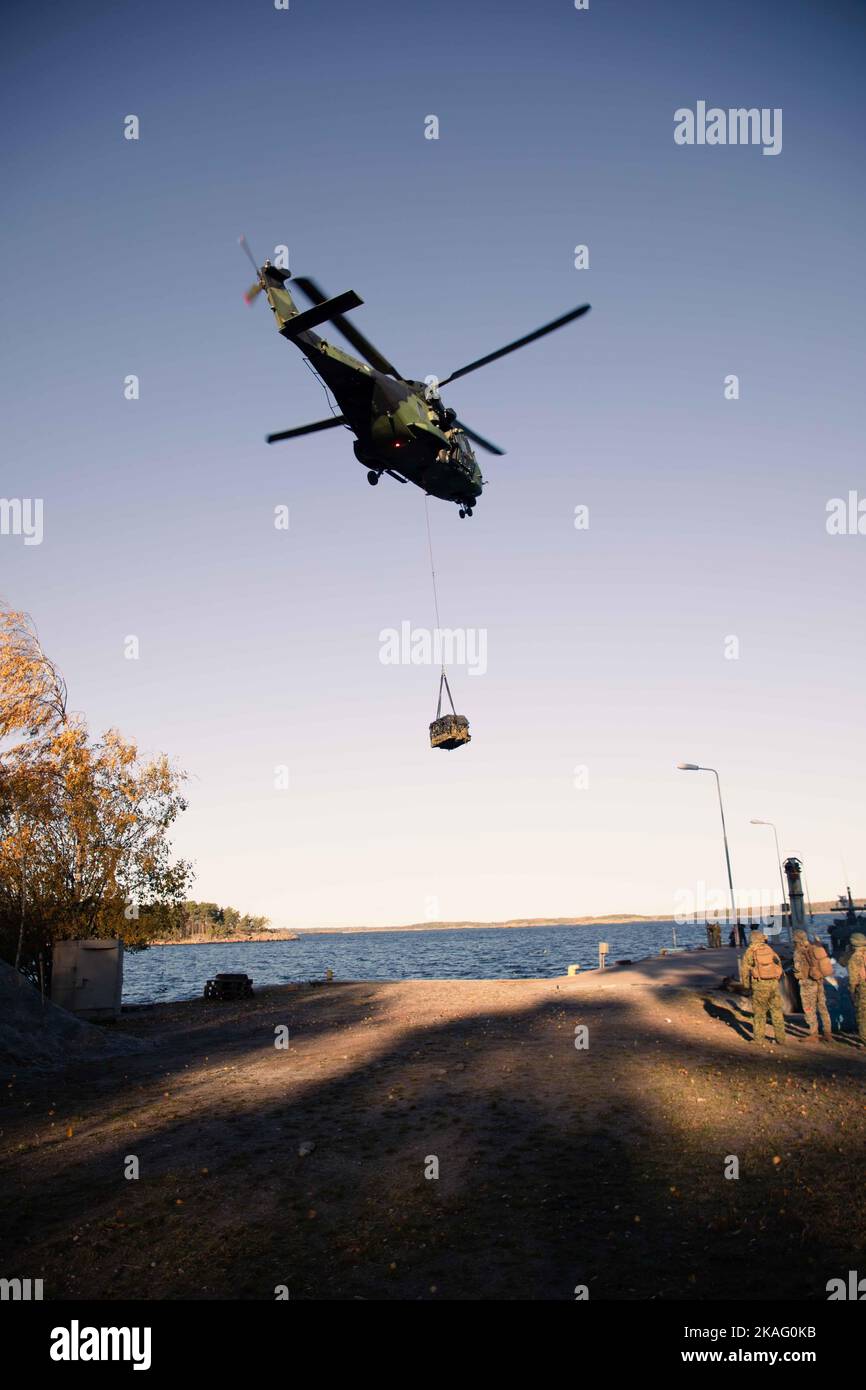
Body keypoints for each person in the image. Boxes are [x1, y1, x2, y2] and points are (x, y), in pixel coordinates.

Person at [740, 929, 786, 1046]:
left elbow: (745, 970)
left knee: (759, 1013)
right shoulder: (769, 949)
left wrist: (746, 985)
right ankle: (781, 1038)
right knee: (776, 1012)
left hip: (759, 986)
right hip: (773, 985)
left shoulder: (750, 951)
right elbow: (778, 964)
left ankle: (758, 1039)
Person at [792, 929, 832, 1042]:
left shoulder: (799, 952)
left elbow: (797, 968)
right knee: (822, 1006)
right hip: (819, 980)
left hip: (807, 983)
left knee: (809, 1007)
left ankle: (814, 1034)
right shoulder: (814, 947)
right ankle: (828, 1033)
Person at [846, 931, 866, 1045]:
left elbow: (853, 979)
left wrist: (852, 993)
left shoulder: (854, 957)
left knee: (862, 1016)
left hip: (862, 988)